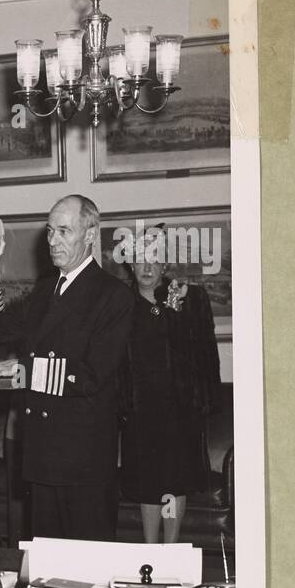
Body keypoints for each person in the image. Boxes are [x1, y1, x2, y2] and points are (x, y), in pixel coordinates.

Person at [0, 196, 134, 541]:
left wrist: (25, 371)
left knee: (88, 571)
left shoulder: (113, 296)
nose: (52, 241)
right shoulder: (45, 291)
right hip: (42, 456)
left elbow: (92, 375)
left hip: (83, 462)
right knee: (47, 571)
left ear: (89, 234)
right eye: (50, 231)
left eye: (63, 231)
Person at [118, 225, 223, 542]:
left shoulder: (186, 299)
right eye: (139, 260)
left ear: (164, 265)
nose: (146, 268)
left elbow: (205, 354)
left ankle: (170, 551)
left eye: (154, 259)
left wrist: (204, 403)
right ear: (131, 264)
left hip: (179, 414)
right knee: (148, 484)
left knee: (173, 483)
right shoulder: (122, 305)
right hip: (140, 413)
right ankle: (151, 552)